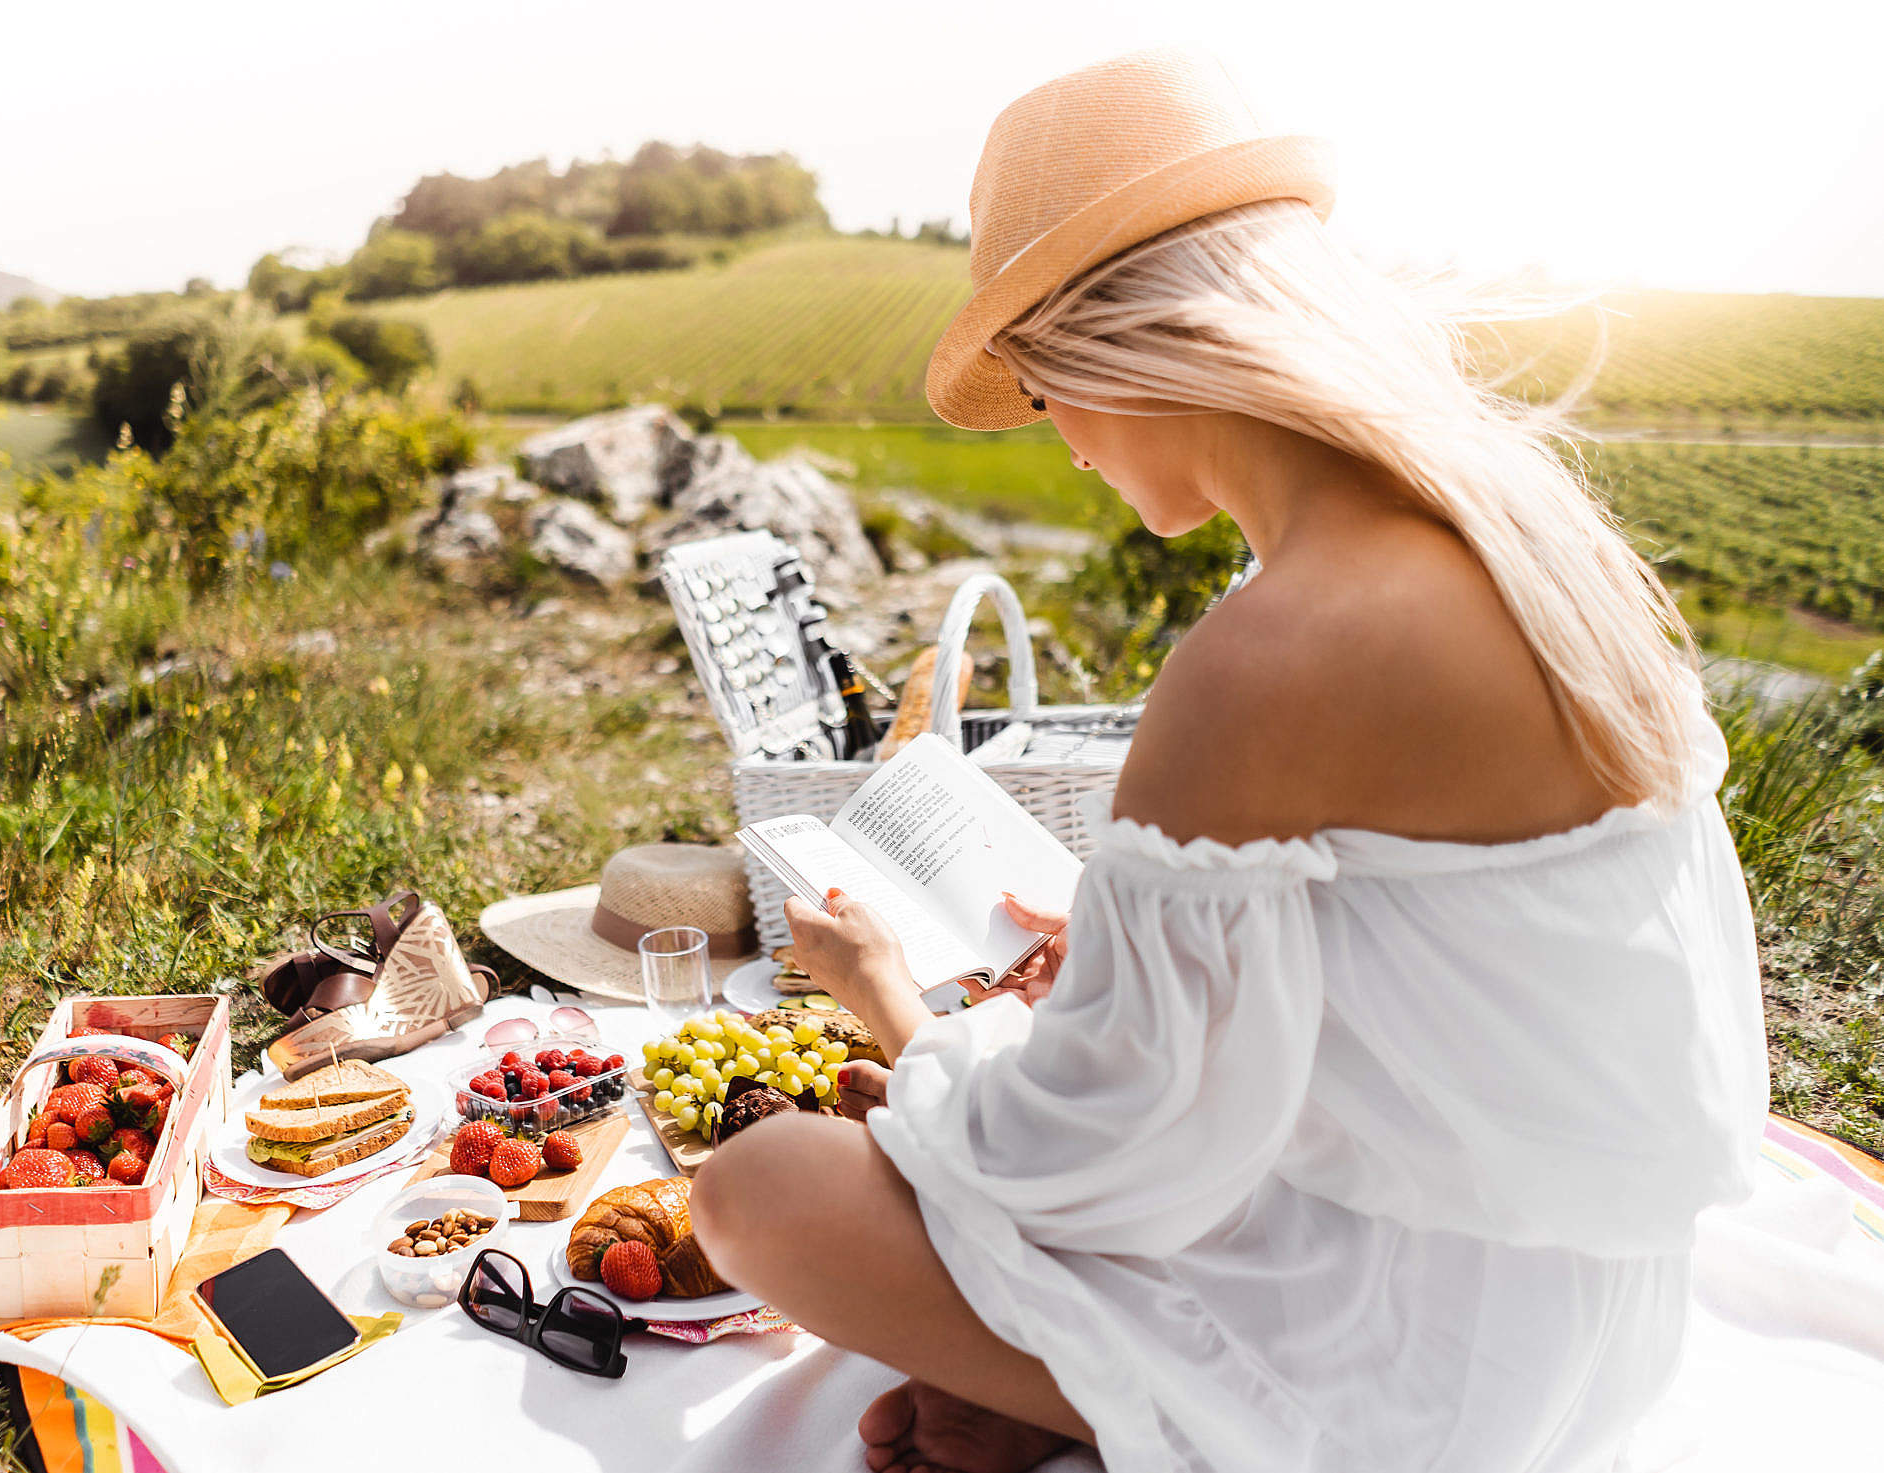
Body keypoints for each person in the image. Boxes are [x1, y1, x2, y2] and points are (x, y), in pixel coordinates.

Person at [688, 46, 1766, 1473]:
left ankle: (1106, 1393)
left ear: (1115, 343)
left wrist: (914, 1020)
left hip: (1408, 1368)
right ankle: (1056, 1386)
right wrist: (1142, 959)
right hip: (1582, 1315)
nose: (1060, 443)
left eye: (1036, 383)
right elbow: (1483, 959)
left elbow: (1108, 1149)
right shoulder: (1536, 546)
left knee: (759, 1185)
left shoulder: (1272, 649)